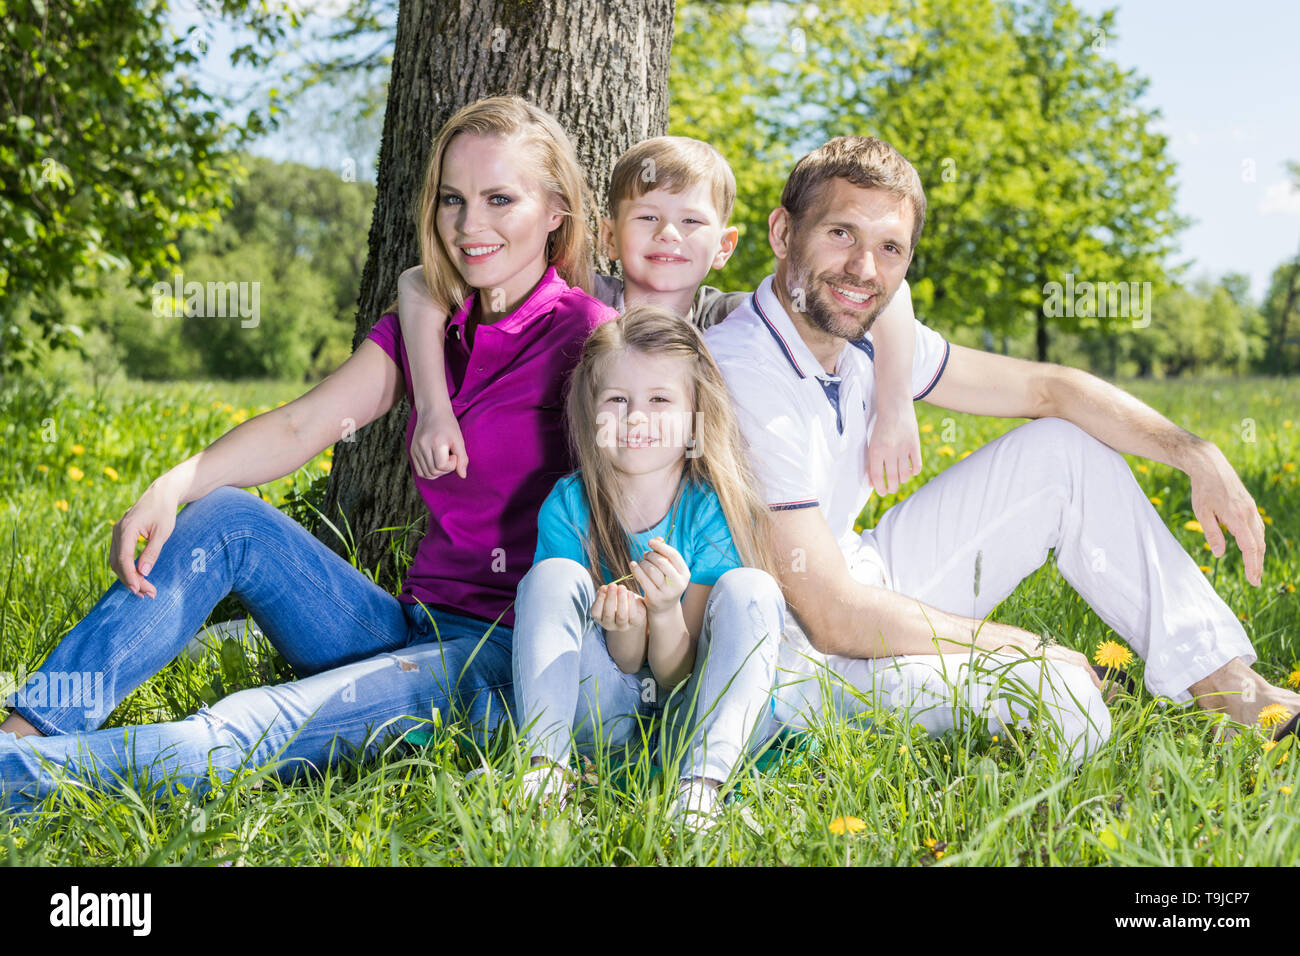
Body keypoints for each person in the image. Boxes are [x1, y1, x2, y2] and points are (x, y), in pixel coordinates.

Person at [0, 95, 617, 811]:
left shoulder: (589, 339)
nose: (469, 226)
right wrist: (173, 485)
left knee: (236, 731)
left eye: (499, 199)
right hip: (406, 625)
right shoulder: (432, 328)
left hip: (498, 666)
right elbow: (301, 428)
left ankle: (14, 782)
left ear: (555, 212)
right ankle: (26, 729)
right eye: (453, 200)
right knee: (226, 514)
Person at [706, 135, 1299, 769]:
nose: (864, 271)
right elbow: (829, 615)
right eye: (841, 235)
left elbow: (1051, 390)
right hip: (798, 655)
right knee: (1065, 701)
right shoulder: (745, 370)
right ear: (780, 232)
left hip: (865, 571)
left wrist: (1196, 453)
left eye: (889, 249)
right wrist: (1018, 647)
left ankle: (1234, 693)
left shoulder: (861, 331)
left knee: (1061, 452)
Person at [394, 135, 927, 503]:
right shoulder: (578, 303)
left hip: (686, 529)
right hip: (578, 516)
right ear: (607, 236)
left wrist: (896, 403)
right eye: (648, 218)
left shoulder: (734, 319)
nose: (669, 235)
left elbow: (889, 292)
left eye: (691, 221)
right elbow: (420, 282)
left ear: (724, 246)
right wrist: (434, 408)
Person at [511, 305, 786, 828]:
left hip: (694, 716)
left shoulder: (710, 510)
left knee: (753, 588)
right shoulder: (569, 506)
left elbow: (677, 675)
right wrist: (628, 628)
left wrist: (662, 612)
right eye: (617, 400)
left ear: (694, 416)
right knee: (551, 577)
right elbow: (624, 664)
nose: (636, 417)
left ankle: (700, 787)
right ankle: (545, 769)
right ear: (591, 412)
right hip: (601, 713)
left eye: (659, 399)